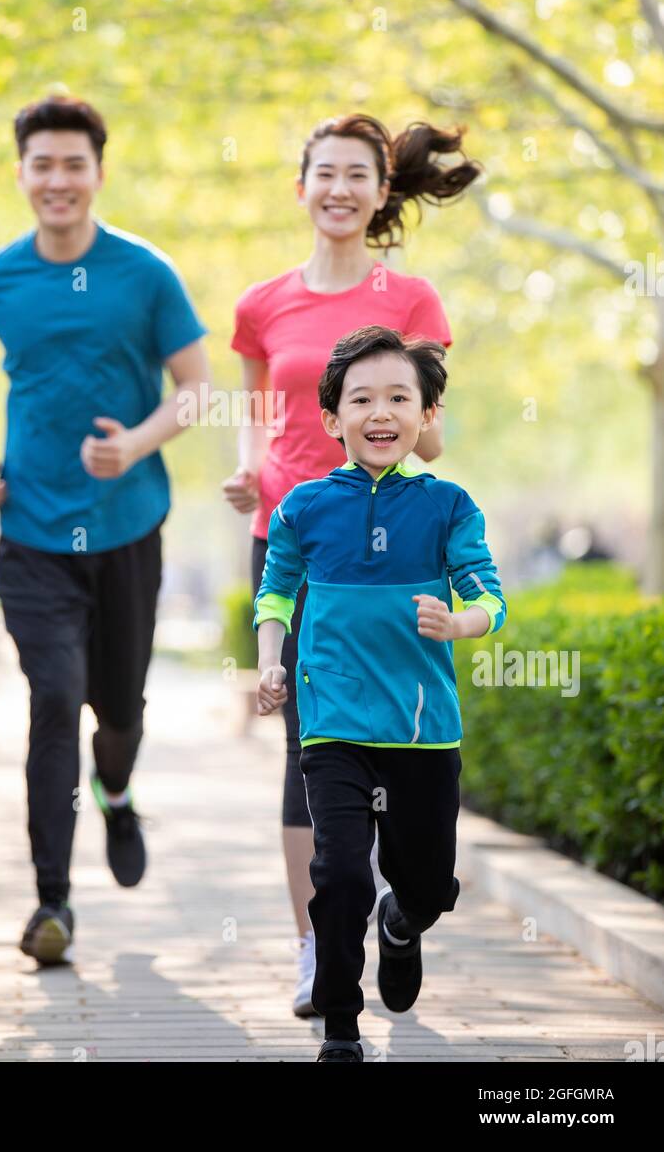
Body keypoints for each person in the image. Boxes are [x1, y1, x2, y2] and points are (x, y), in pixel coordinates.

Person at [223, 114, 479, 1015]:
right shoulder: (262, 304)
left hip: (396, 545)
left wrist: (397, 413)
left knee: (399, 760)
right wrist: (250, 469)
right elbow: (257, 410)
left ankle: (405, 908)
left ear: (380, 194)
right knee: (308, 748)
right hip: (298, 535)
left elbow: (435, 433)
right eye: (322, 173)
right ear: (301, 188)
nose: (337, 189)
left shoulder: (412, 300)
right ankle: (316, 943)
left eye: (356, 175)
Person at [0, 94, 210, 965]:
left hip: (127, 529)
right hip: (31, 535)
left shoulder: (145, 273)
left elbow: (197, 387)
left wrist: (136, 443)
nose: (57, 180)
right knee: (54, 698)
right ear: (20, 173)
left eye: (74, 164)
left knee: (119, 709)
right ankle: (51, 903)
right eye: (42, 164)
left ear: (99, 171)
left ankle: (119, 789)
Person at [253, 325, 506, 1061]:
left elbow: (489, 594)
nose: (380, 411)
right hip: (331, 723)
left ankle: (403, 925)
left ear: (428, 415)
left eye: (400, 396)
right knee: (336, 877)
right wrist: (272, 662)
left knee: (426, 884)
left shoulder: (449, 505)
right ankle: (340, 1027)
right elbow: (274, 594)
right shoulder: (302, 507)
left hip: (423, 732)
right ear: (332, 419)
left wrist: (457, 622)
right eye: (361, 398)